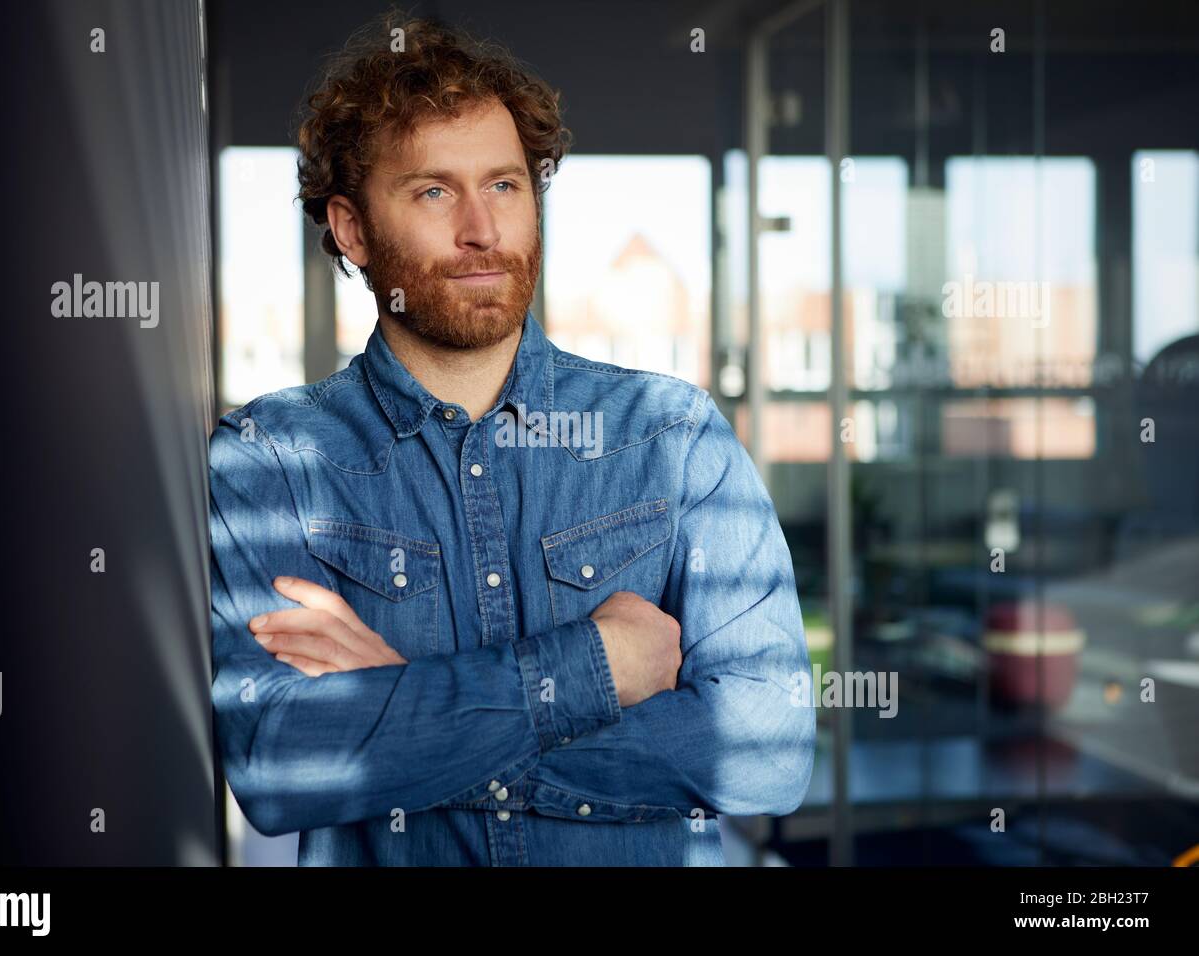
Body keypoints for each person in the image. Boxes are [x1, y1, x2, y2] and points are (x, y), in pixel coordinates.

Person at [209, 12, 814, 866]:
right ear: (350, 229)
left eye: (504, 185)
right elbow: (281, 767)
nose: (482, 229)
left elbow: (770, 751)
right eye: (432, 191)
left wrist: (403, 703)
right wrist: (599, 665)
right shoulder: (269, 460)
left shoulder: (670, 435)